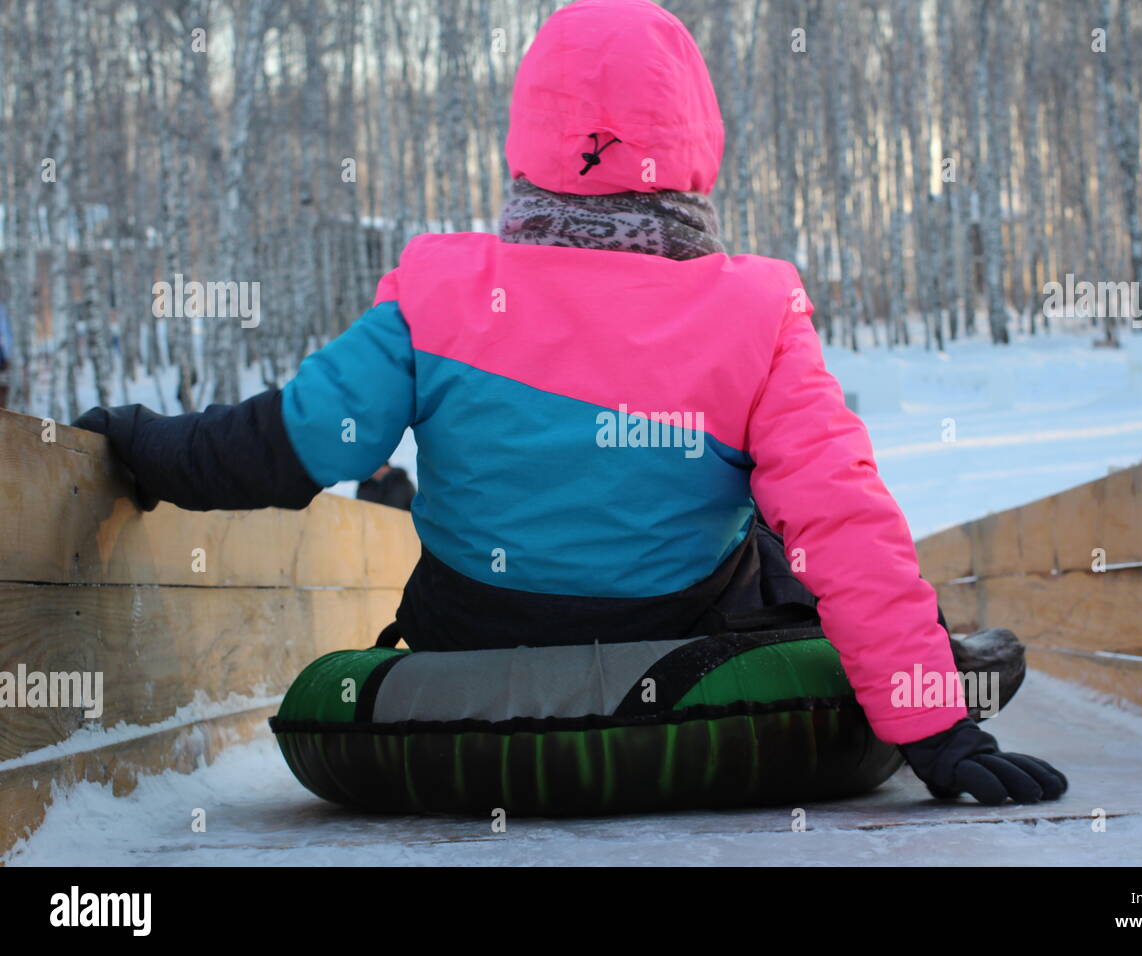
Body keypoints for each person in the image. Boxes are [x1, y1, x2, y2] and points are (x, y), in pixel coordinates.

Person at [73, 0, 1064, 807]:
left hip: (475, 634)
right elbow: (840, 520)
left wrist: (138, 446)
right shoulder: (753, 309)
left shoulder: (439, 289)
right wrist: (930, 720)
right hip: (682, 623)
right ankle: (931, 652)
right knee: (782, 517)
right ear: (693, 144)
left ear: (526, 138)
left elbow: (285, 443)